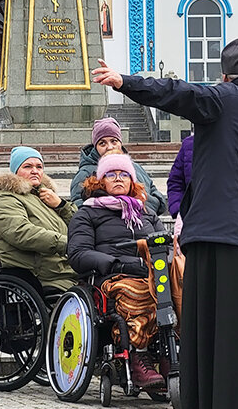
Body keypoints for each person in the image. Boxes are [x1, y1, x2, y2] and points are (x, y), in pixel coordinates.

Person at [93, 37, 238, 409]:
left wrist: (124, 81)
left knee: (219, 338)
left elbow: (177, 93)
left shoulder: (225, 98)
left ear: (226, 74)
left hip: (218, 239)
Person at [67, 153, 167, 391]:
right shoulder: (87, 213)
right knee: (138, 291)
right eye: (111, 174)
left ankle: (170, 353)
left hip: (150, 273)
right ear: (100, 181)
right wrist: (114, 264)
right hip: (110, 277)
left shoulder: (147, 214)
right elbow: (78, 253)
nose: (119, 178)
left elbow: (165, 246)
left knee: (180, 291)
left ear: (133, 181)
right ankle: (138, 356)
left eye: (124, 174)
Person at [0, 146, 78, 297]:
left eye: (39, 166)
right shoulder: (5, 198)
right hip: (42, 278)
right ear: (15, 171)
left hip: (67, 271)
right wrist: (66, 244)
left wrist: (61, 205)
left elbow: (79, 225)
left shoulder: (45, 196)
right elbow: (21, 232)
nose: (35, 170)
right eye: (28, 166)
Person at [69, 117, 168, 216]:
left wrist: (137, 202)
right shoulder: (85, 173)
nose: (110, 147)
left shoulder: (136, 168)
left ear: (120, 143)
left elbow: (159, 201)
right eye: (102, 143)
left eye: (114, 141)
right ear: (95, 147)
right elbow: (79, 210)